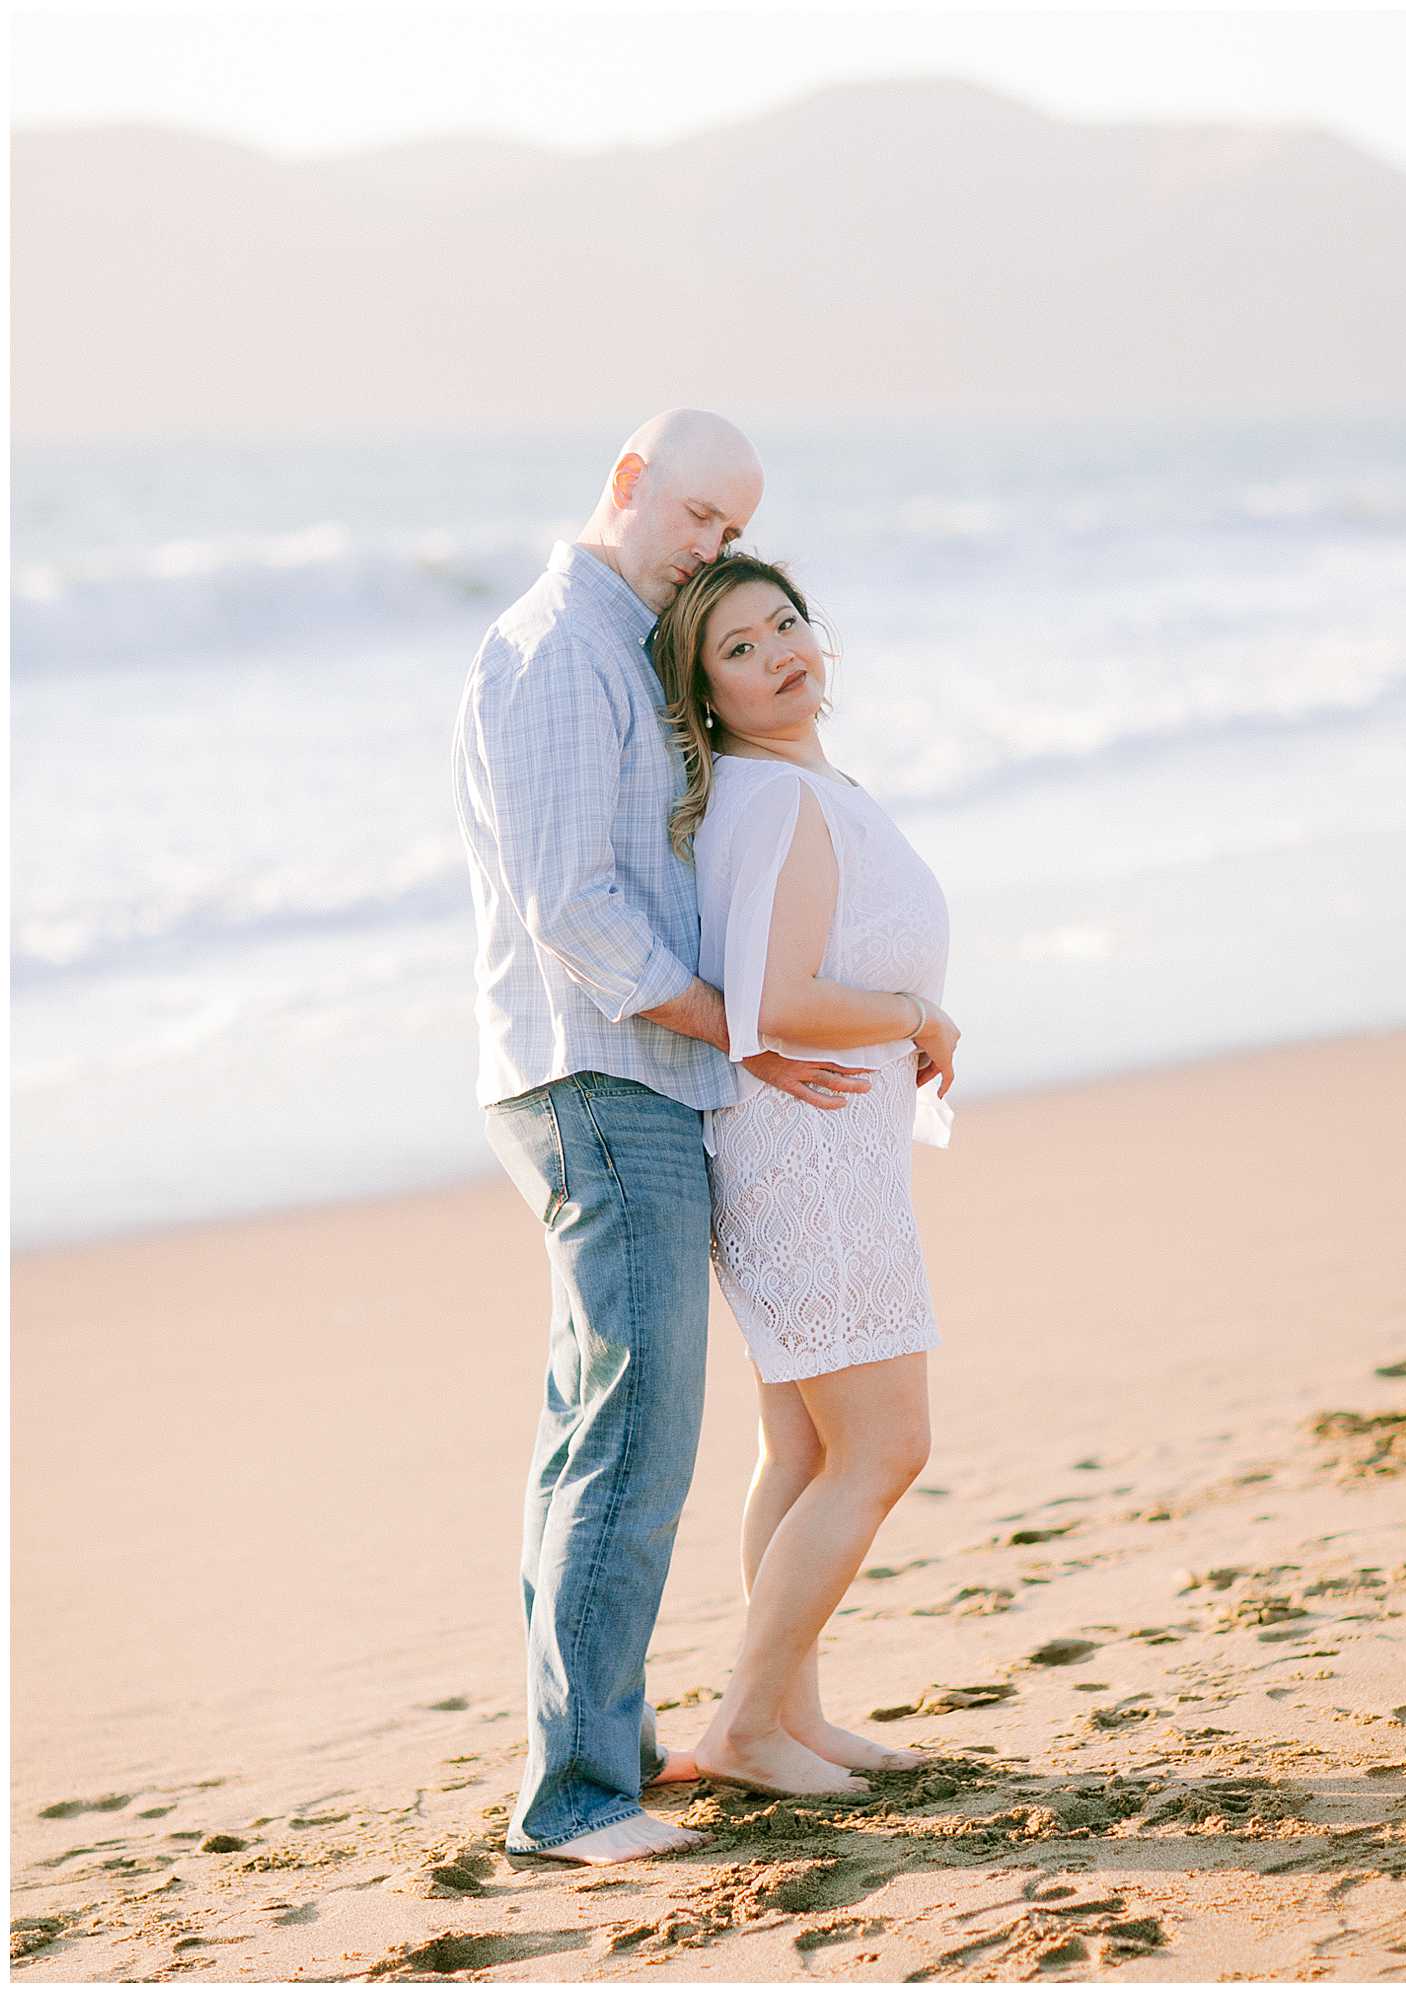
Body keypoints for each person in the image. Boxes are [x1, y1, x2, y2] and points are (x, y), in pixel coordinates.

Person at [450, 410, 883, 1866]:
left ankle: (607, 1744)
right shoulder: (556, 648)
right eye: (697, 516)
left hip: (626, 1075)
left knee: (594, 1429)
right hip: (599, 1077)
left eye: (733, 529)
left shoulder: (619, 641)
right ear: (629, 482)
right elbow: (569, 904)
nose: (713, 548)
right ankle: (574, 1799)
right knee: (634, 1437)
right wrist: (734, 1025)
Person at [649, 553, 959, 1798]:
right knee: (883, 1446)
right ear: (704, 695)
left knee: (803, 1449)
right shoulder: (779, 799)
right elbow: (775, 1001)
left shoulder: (785, 786)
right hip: (812, 1163)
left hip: (812, 1149)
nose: (778, 651)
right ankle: (744, 1725)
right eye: (738, 647)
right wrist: (918, 1016)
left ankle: (790, 1717)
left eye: (785, 623)